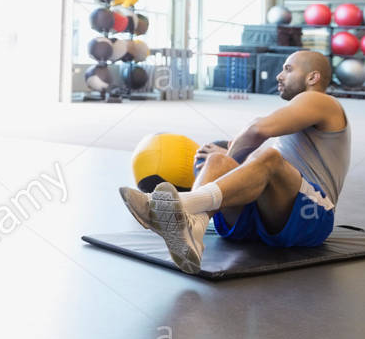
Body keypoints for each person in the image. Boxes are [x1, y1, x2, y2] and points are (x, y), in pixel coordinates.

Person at [119, 50, 349, 273]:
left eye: (288, 69)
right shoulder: (300, 113)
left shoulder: (320, 100)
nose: (279, 76)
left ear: (312, 77)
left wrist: (231, 162)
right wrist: (224, 163)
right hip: (268, 218)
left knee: (267, 157)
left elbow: (257, 130)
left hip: (313, 218)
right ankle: (193, 230)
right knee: (218, 160)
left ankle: (183, 204)